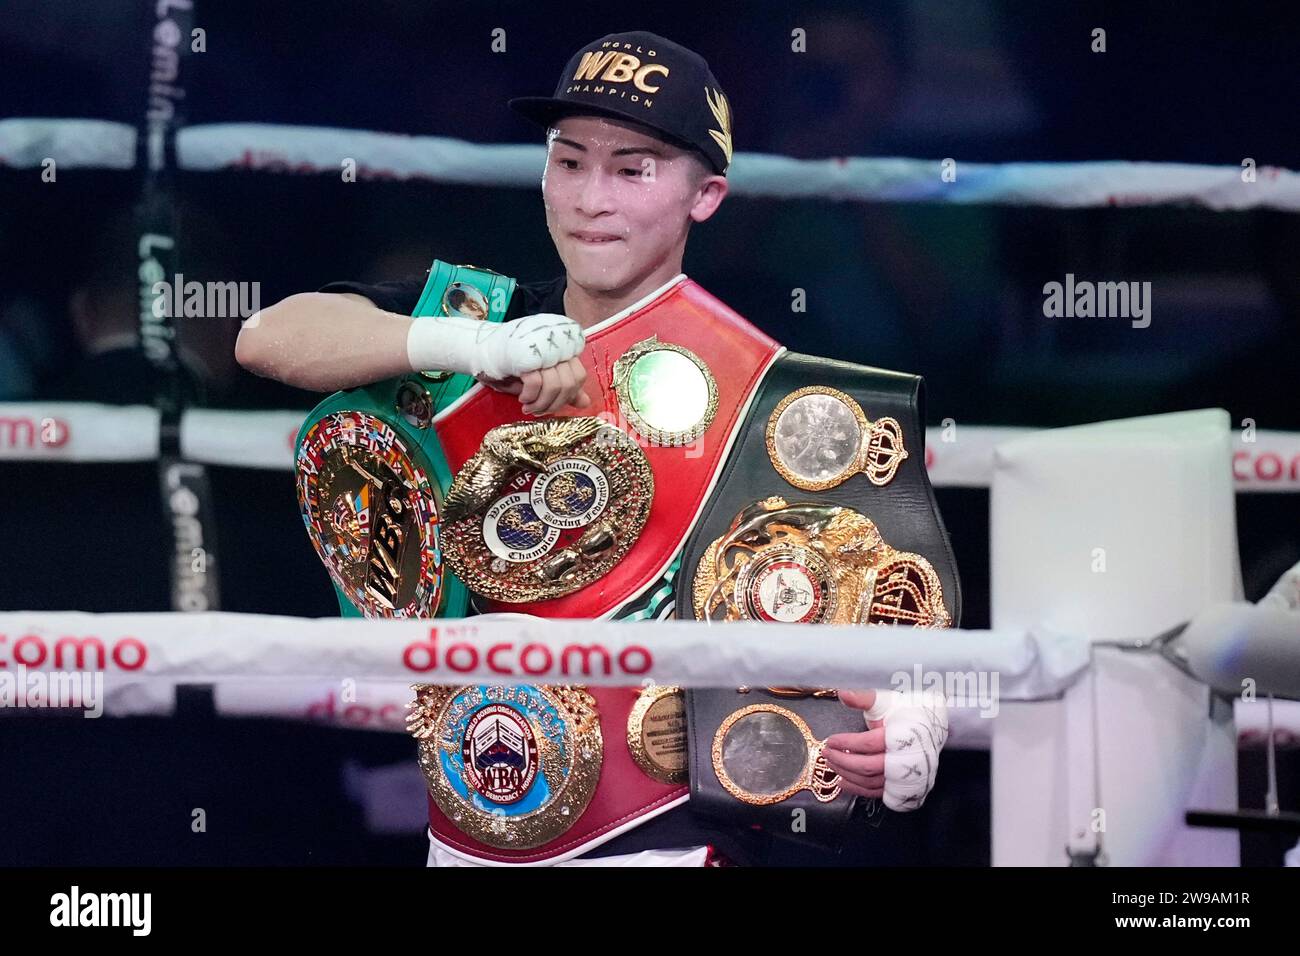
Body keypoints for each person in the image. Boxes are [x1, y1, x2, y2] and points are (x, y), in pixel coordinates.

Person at [237, 30, 950, 867]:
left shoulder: (767, 383)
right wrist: (476, 350)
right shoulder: (476, 322)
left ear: (706, 194)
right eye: (569, 162)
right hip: (467, 835)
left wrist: (911, 716)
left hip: (670, 845)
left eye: (632, 169)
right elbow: (267, 336)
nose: (589, 198)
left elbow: (882, 598)